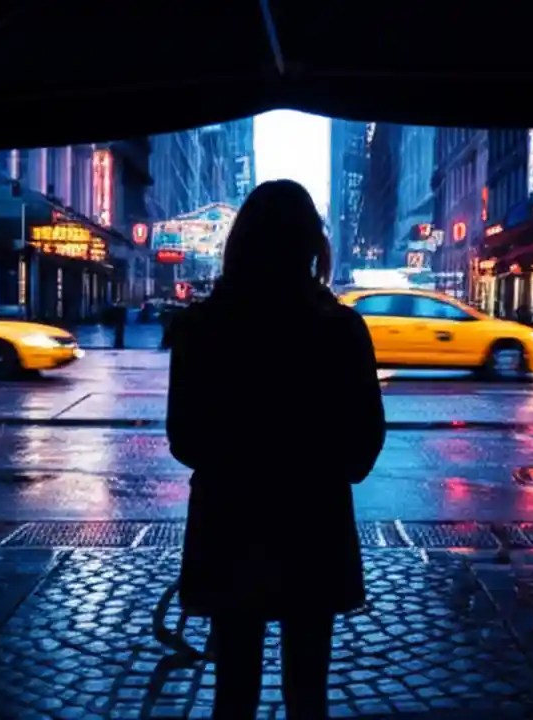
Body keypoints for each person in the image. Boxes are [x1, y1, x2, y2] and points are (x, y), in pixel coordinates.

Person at [165, 180, 387, 719]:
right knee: (308, 690)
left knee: (233, 689)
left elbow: (184, 438)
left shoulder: (200, 327)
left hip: (229, 524)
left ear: (239, 242)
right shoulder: (341, 331)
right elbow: (364, 443)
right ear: (312, 246)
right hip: (313, 527)